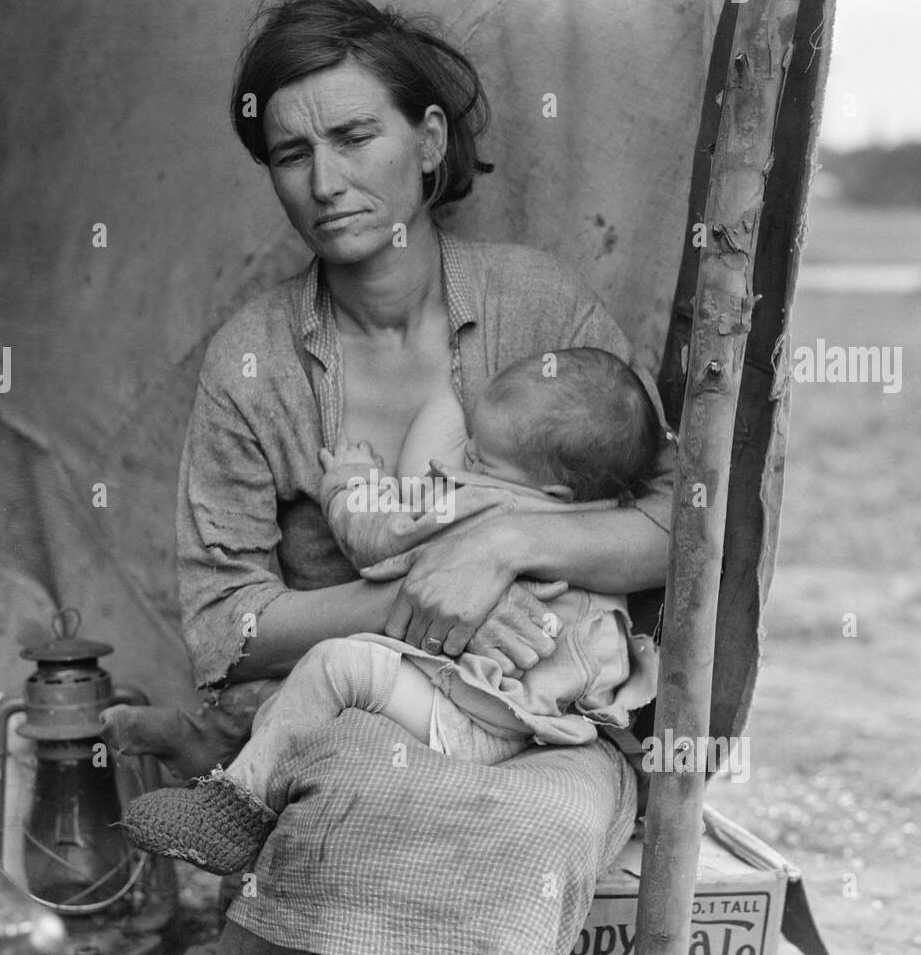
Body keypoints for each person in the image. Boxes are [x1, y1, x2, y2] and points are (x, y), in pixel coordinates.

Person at [101, 0, 675, 955]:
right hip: (372, 704)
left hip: (552, 720)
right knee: (355, 795)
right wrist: (414, 599)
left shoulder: (536, 309)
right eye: (290, 154)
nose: (326, 182)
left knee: (531, 845)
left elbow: (676, 527)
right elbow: (222, 625)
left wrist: (499, 548)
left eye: (355, 135)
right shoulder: (254, 358)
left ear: (427, 139)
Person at [120, 347, 664, 876]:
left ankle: (232, 812)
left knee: (336, 666)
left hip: (478, 720)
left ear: (551, 489)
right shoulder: (598, 518)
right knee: (328, 694)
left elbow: (382, 539)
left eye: (481, 458)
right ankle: (223, 752)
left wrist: (350, 482)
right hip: (537, 716)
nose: (464, 458)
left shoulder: (488, 504)